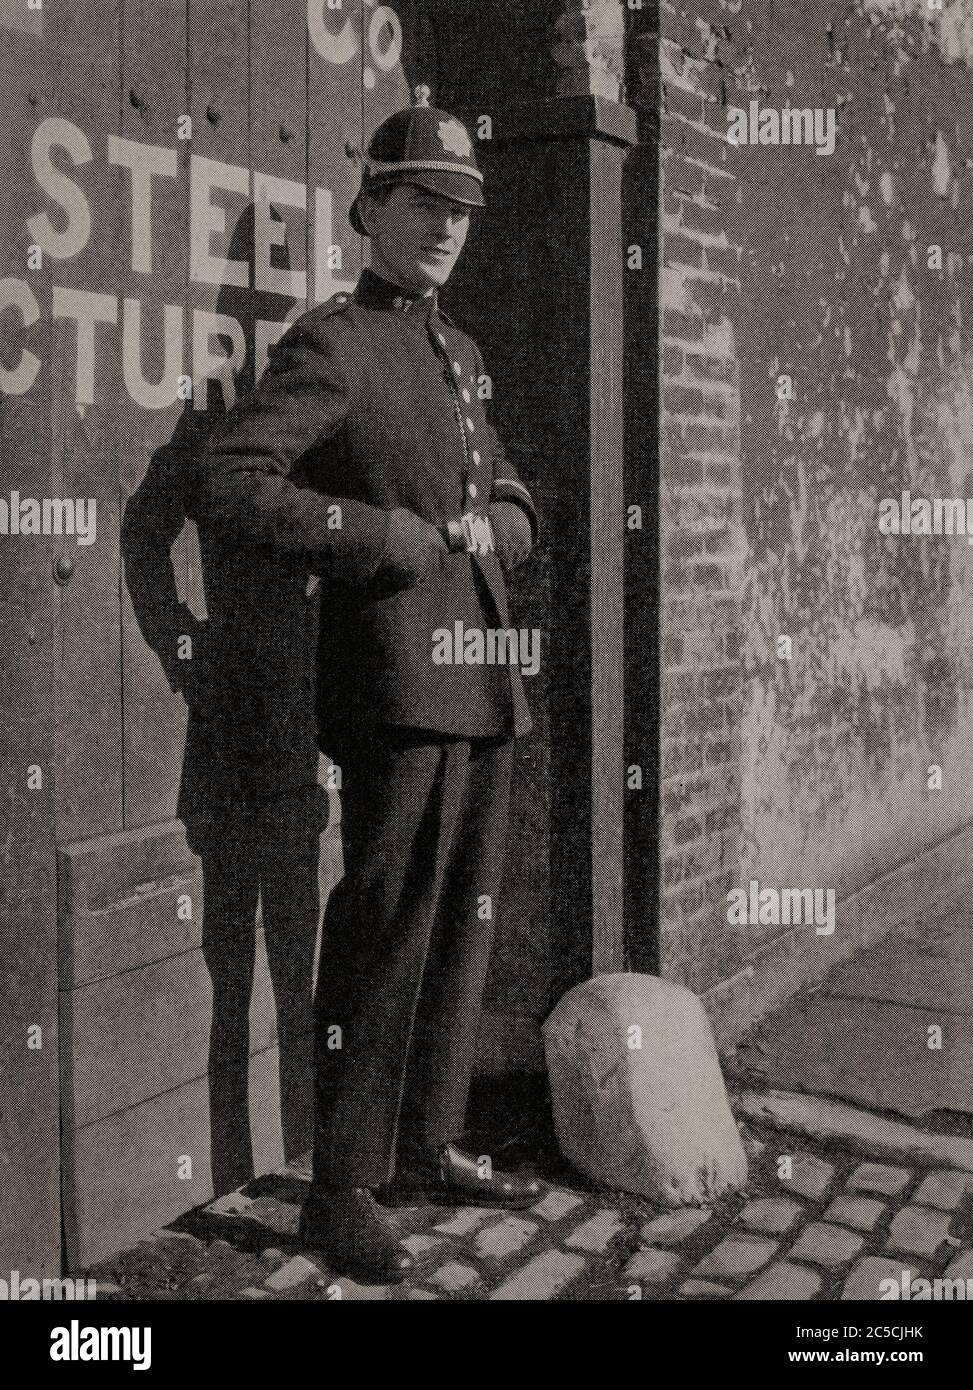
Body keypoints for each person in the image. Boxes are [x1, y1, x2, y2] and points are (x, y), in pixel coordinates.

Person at [199, 91, 543, 1284]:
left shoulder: (465, 354)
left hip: (483, 678)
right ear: (371, 211)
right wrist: (378, 539)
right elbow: (232, 481)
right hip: (394, 680)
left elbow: (506, 484)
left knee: (461, 924)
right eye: (421, 202)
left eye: (460, 208)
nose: (445, 226)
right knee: (382, 933)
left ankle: (423, 1136)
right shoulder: (334, 344)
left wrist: (507, 516)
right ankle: (340, 1184)